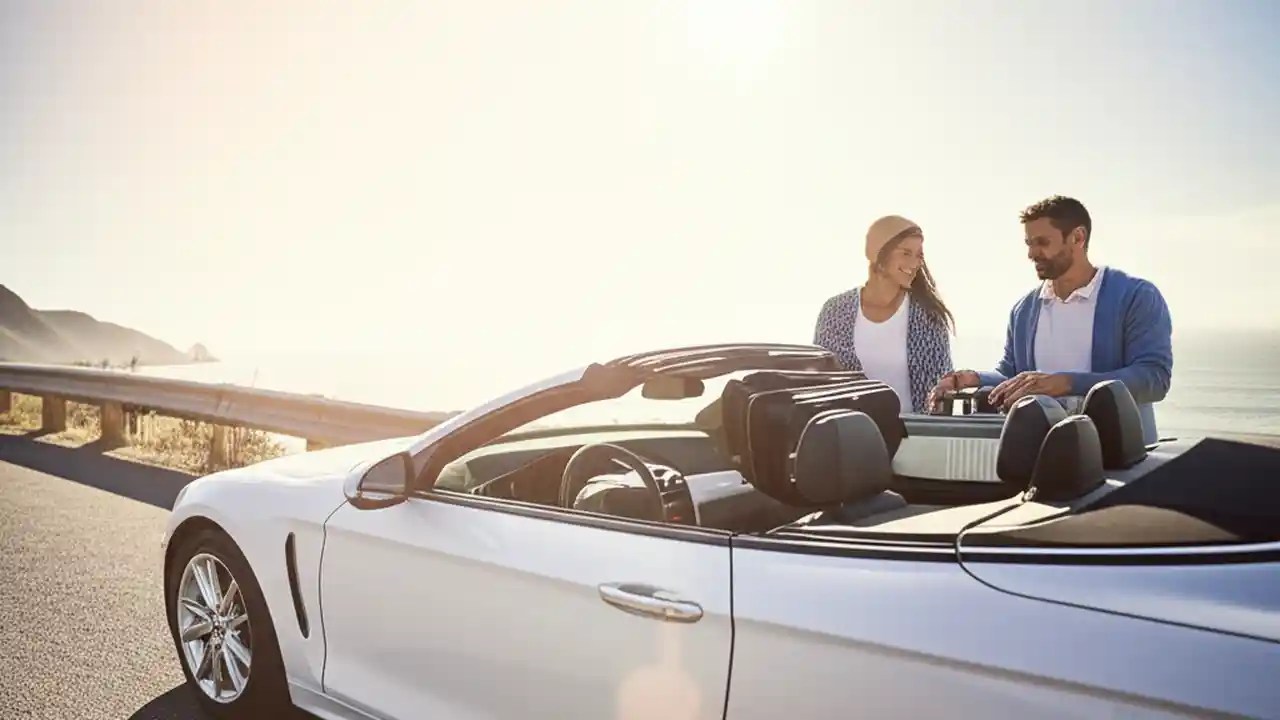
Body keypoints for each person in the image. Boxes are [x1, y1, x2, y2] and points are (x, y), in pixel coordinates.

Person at [927, 195, 1173, 443]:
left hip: (1119, 452)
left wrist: (1066, 383)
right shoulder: (1024, 310)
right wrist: (971, 379)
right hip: (1042, 453)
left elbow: (1154, 379)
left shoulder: (1136, 297)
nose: (1032, 253)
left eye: (1042, 242)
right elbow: (1013, 376)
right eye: (1029, 243)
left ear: (1078, 238)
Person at [813, 214, 955, 413]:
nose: (915, 263)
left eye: (919, 255)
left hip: (914, 430)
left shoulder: (928, 316)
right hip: (850, 429)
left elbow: (941, 393)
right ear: (878, 255)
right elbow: (821, 382)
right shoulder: (835, 312)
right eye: (906, 253)